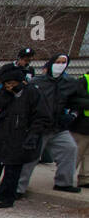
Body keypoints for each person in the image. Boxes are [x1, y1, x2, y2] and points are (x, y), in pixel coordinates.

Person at [0, 64, 52, 208]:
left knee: (12, 170)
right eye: (6, 84)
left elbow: (42, 117)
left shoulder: (32, 93)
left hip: (20, 136)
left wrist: (33, 135)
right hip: (2, 134)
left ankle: (7, 198)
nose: (8, 86)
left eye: (11, 83)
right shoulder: (4, 94)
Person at [17, 54, 81, 194]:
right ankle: (18, 188)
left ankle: (63, 183)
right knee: (31, 158)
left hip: (58, 127)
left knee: (70, 149)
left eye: (64, 62)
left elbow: (77, 103)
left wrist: (72, 115)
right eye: (58, 62)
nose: (60, 65)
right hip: (38, 127)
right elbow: (25, 102)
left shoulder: (70, 83)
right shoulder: (37, 82)